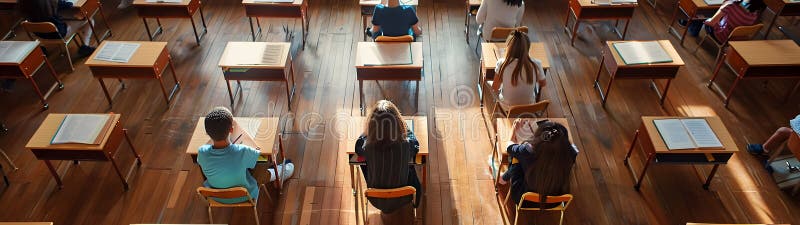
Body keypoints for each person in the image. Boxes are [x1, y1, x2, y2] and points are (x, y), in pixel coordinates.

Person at [197, 107, 295, 204]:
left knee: (243, 168)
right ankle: (283, 171)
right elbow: (260, 159)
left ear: (207, 132)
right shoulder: (242, 151)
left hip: (217, 196)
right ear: (231, 129)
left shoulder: (202, 152)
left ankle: (278, 171)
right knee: (261, 169)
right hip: (245, 194)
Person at [355, 100, 422, 213]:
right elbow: (416, 145)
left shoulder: (367, 148)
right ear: (398, 123)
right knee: (411, 168)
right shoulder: (406, 145)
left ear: (372, 126)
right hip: (404, 197)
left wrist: (367, 133)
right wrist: (407, 129)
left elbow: (358, 145)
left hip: (376, 199)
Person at [498, 120, 578, 208]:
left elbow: (508, 146)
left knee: (516, 158)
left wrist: (514, 129)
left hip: (524, 200)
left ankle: (503, 178)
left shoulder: (527, 151)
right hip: (555, 202)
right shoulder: (572, 153)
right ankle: (504, 177)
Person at [492, 30, 546, 111]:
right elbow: (543, 83)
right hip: (529, 108)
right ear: (527, 48)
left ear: (509, 47)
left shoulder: (502, 63)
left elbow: (495, 87)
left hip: (507, 108)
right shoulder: (536, 64)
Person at [20, 0, 96, 57]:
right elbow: (68, 4)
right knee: (89, 19)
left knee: (57, 18)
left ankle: (42, 47)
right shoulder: (49, 2)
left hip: (38, 35)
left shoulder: (23, 2)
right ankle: (85, 46)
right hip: (59, 34)